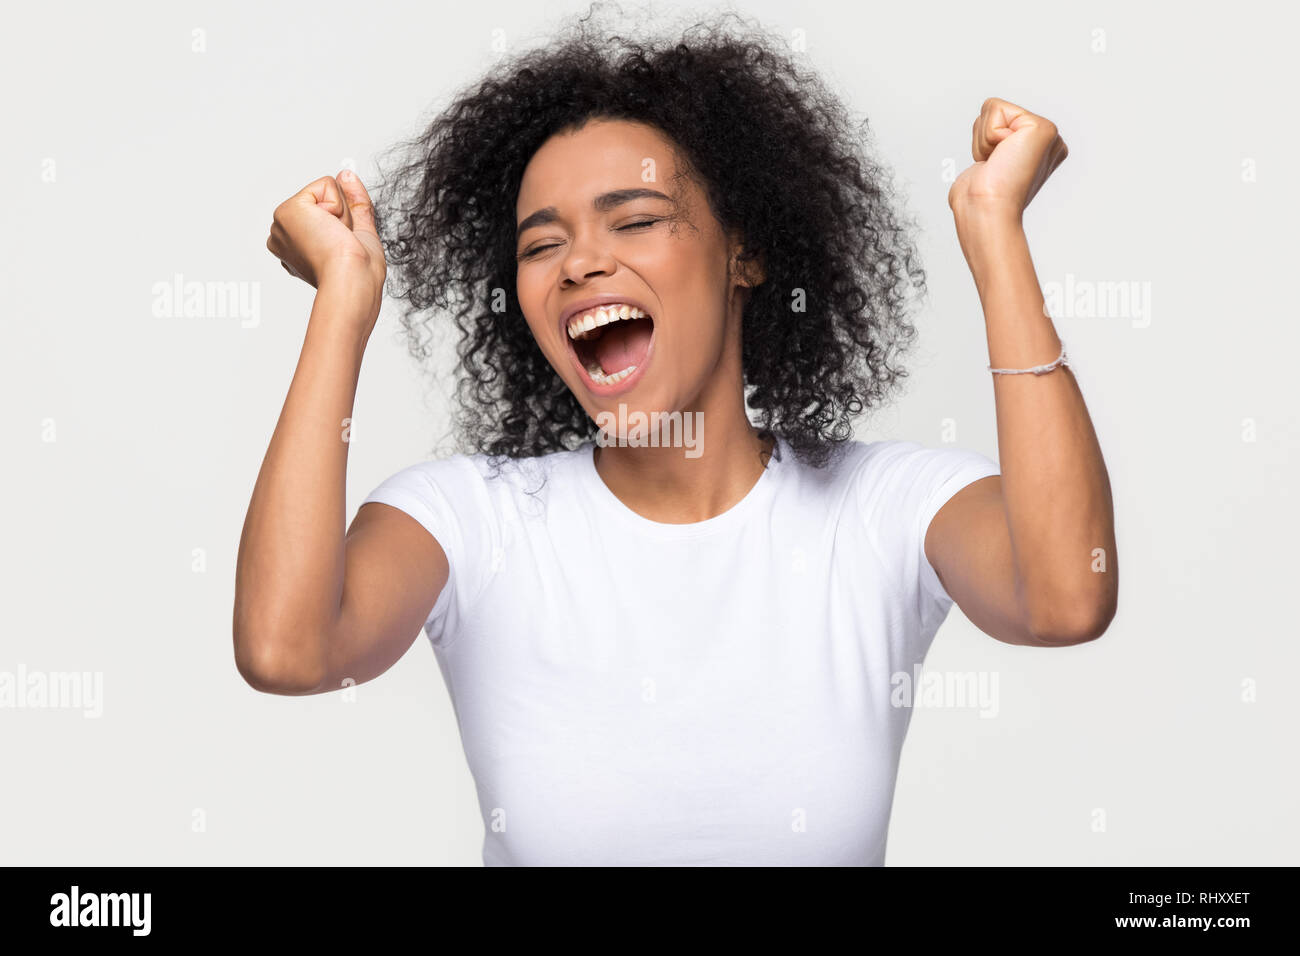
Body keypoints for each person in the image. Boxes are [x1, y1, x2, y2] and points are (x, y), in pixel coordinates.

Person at [236, 8, 1117, 865]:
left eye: (635, 220)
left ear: (745, 253)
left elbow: (1064, 599)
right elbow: (288, 649)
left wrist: (996, 232)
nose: (580, 262)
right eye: (542, 244)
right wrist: (342, 301)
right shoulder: (472, 523)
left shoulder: (881, 510)